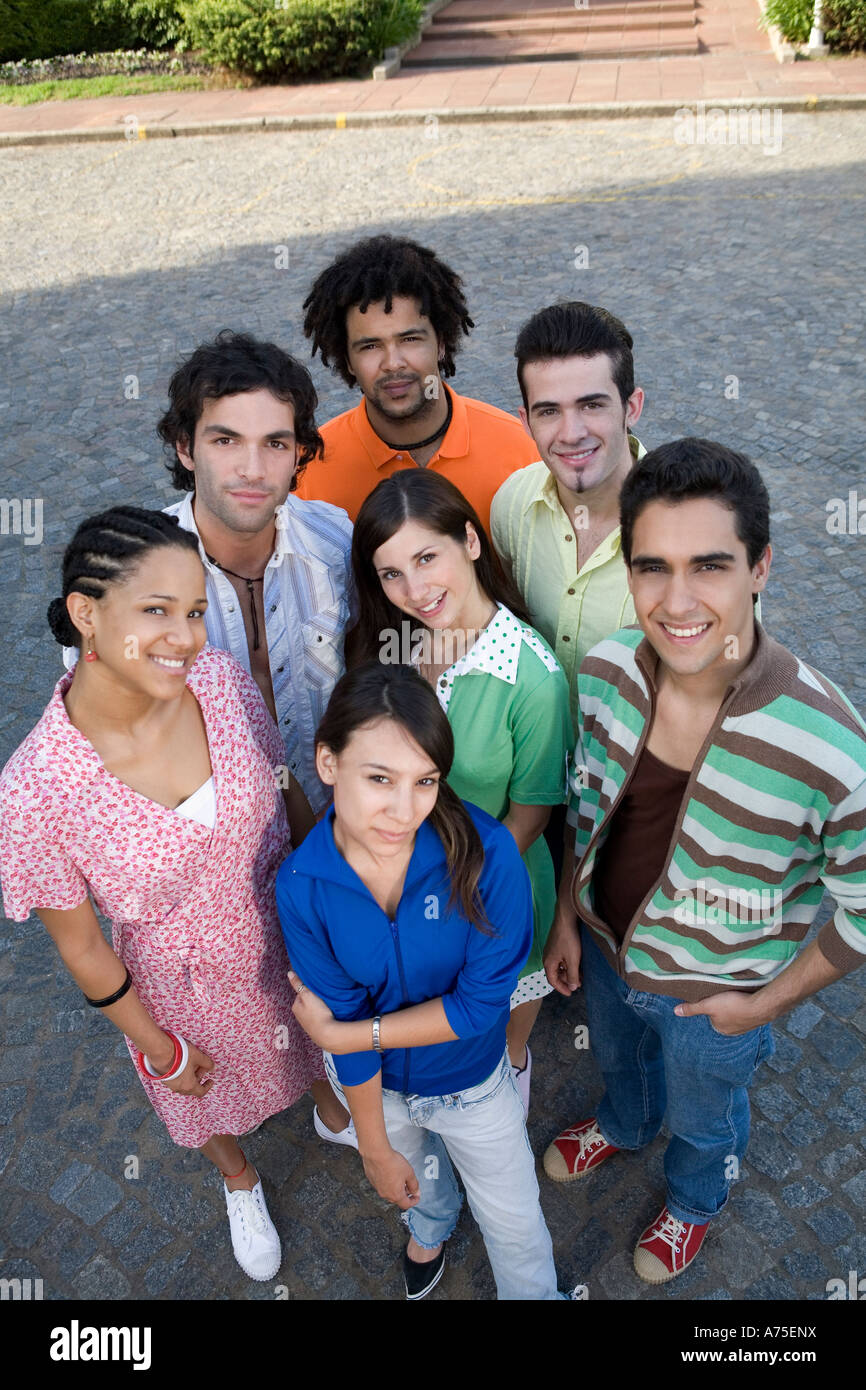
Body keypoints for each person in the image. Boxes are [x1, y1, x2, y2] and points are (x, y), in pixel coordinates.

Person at [542, 440, 866, 1285]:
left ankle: (694, 1200)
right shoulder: (606, 670)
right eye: (653, 568)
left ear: (760, 568)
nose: (677, 602)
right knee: (617, 1065)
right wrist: (569, 918)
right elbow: (583, 801)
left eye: (710, 567)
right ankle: (621, 1122)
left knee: (705, 1119)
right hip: (609, 957)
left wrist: (764, 1003)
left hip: (718, 1000)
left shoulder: (829, 744)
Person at [0, 507, 333, 1282]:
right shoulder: (35, 792)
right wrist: (162, 1048)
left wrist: (330, 890)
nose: (185, 637)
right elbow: (81, 946)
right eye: (156, 611)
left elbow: (280, 784)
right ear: (87, 613)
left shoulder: (216, 682)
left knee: (312, 1045)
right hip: (183, 997)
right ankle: (239, 1178)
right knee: (206, 1097)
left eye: (192, 610)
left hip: (288, 936)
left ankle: (332, 1111)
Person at [276, 663, 563, 1300]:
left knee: (515, 1221)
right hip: (383, 1095)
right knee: (418, 1187)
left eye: (424, 781)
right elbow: (338, 1014)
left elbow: (481, 1006)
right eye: (379, 778)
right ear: (328, 763)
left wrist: (356, 1035)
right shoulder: (301, 885)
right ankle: (432, 1225)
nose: (403, 811)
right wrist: (373, 1147)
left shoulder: (487, 859)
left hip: (474, 1082)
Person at [350, 471, 572, 1114]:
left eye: (427, 557)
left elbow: (532, 814)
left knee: (498, 1044)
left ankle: (505, 1122)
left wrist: (456, 883)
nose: (414, 590)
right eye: (392, 574)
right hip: (401, 883)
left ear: (470, 541)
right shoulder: (395, 648)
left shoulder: (534, 679)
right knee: (431, 1035)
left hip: (490, 891)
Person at [156, 329, 354, 837]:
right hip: (213, 870)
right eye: (225, 440)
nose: (252, 469)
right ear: (185, 448)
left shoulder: (337, 543)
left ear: (297, 454)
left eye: (275, 443)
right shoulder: (132, 575)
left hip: (336, 839)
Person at [296, 234, 537, 532]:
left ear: (441, 344)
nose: (393, 362)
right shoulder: (306, 474)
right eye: (370, 346)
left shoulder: (525, 455)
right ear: (347, 360)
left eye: (410, 339)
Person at [490, 301, 646, 731]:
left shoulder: (691, 528)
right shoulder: (511, 505)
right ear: (525, 421)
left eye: (592, 405)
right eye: (549, 411)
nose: (571, 433)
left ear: (631, 407)